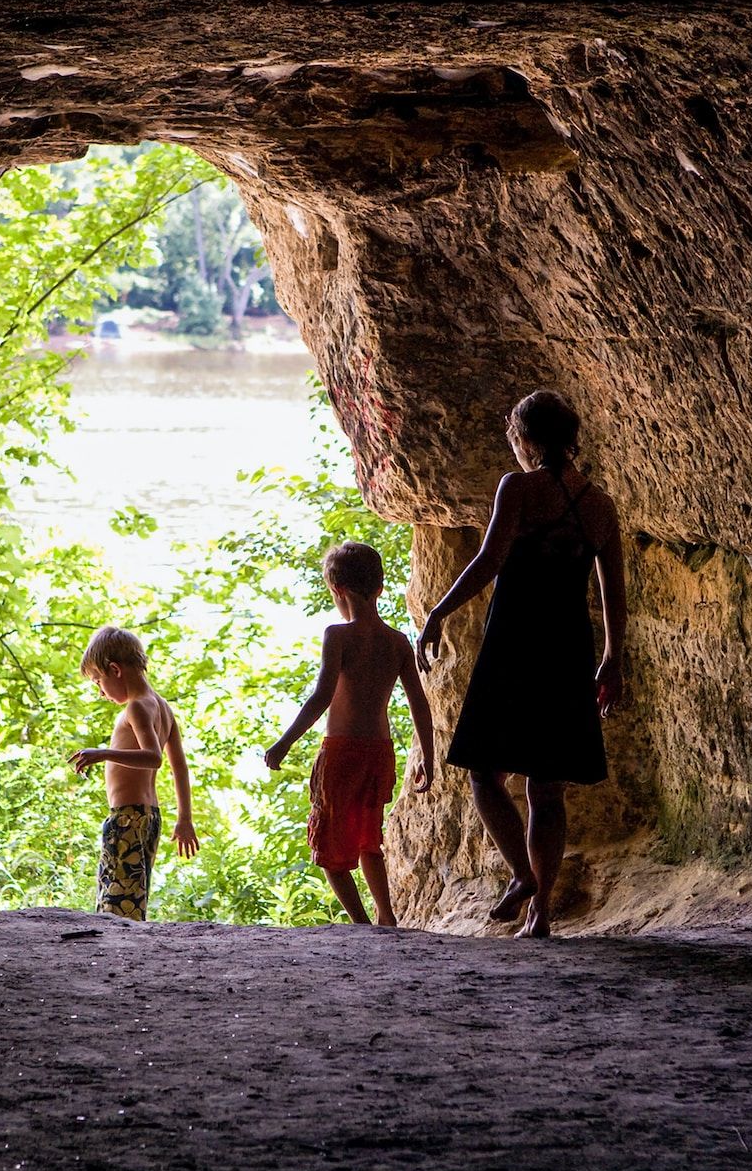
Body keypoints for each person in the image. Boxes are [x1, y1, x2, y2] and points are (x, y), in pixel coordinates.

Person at [416, 390, 626, 938]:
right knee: (547, 789)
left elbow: (490, 559)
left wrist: (438, 611)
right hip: (568, 648)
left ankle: (521, 877)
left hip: (514, 644)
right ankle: (542, 913)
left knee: (485, 775)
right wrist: (611, 660)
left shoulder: (519, 488)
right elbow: (613, 594)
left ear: (525, 438)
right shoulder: (600, 506)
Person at [265, 542, 436, 926]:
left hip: (342, 753)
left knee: (330, 851)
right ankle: (387, 916)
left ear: (337, 590)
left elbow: (321, 697)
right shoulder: (397, 642)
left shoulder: (338, 635)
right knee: (368, 841)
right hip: (379, 753)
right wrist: (428, 755)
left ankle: (361, 924)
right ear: (379, 588)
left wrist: (284, 742)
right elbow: (419, 704)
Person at [69, 626, 200, 919]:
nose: (100, 692)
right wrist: (184, 818)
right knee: (129, 892)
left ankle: (116, 957)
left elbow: (154, 758)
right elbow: (180, 766)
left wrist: (101, 753)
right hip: (147, 816)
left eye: (98, 682)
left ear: (115, 670)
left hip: (128, 818)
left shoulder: (137, 708)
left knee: (117, 901)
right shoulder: (162, 707)